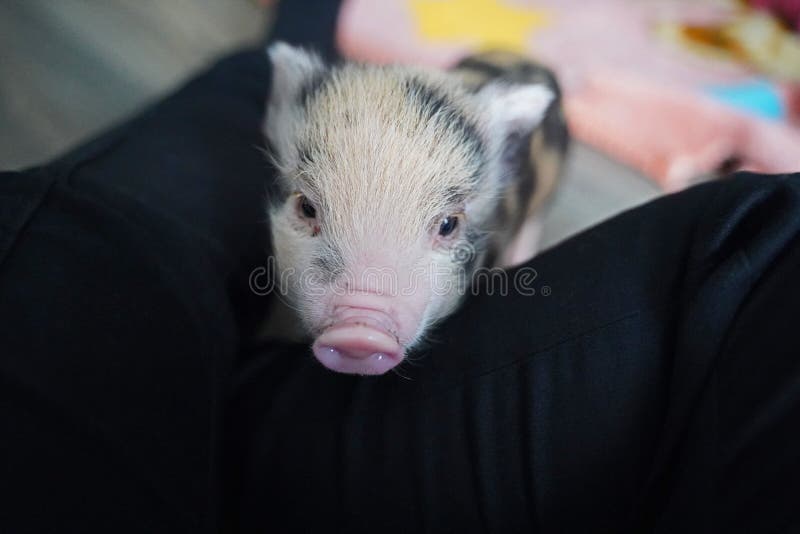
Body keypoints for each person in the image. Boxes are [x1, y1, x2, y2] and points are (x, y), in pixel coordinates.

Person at [1, 2, 798, 532]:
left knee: (113, 222)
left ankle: (306, 40)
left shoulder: (517, 143)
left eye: (449, 226)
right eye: (307, 208)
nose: (366, 305)